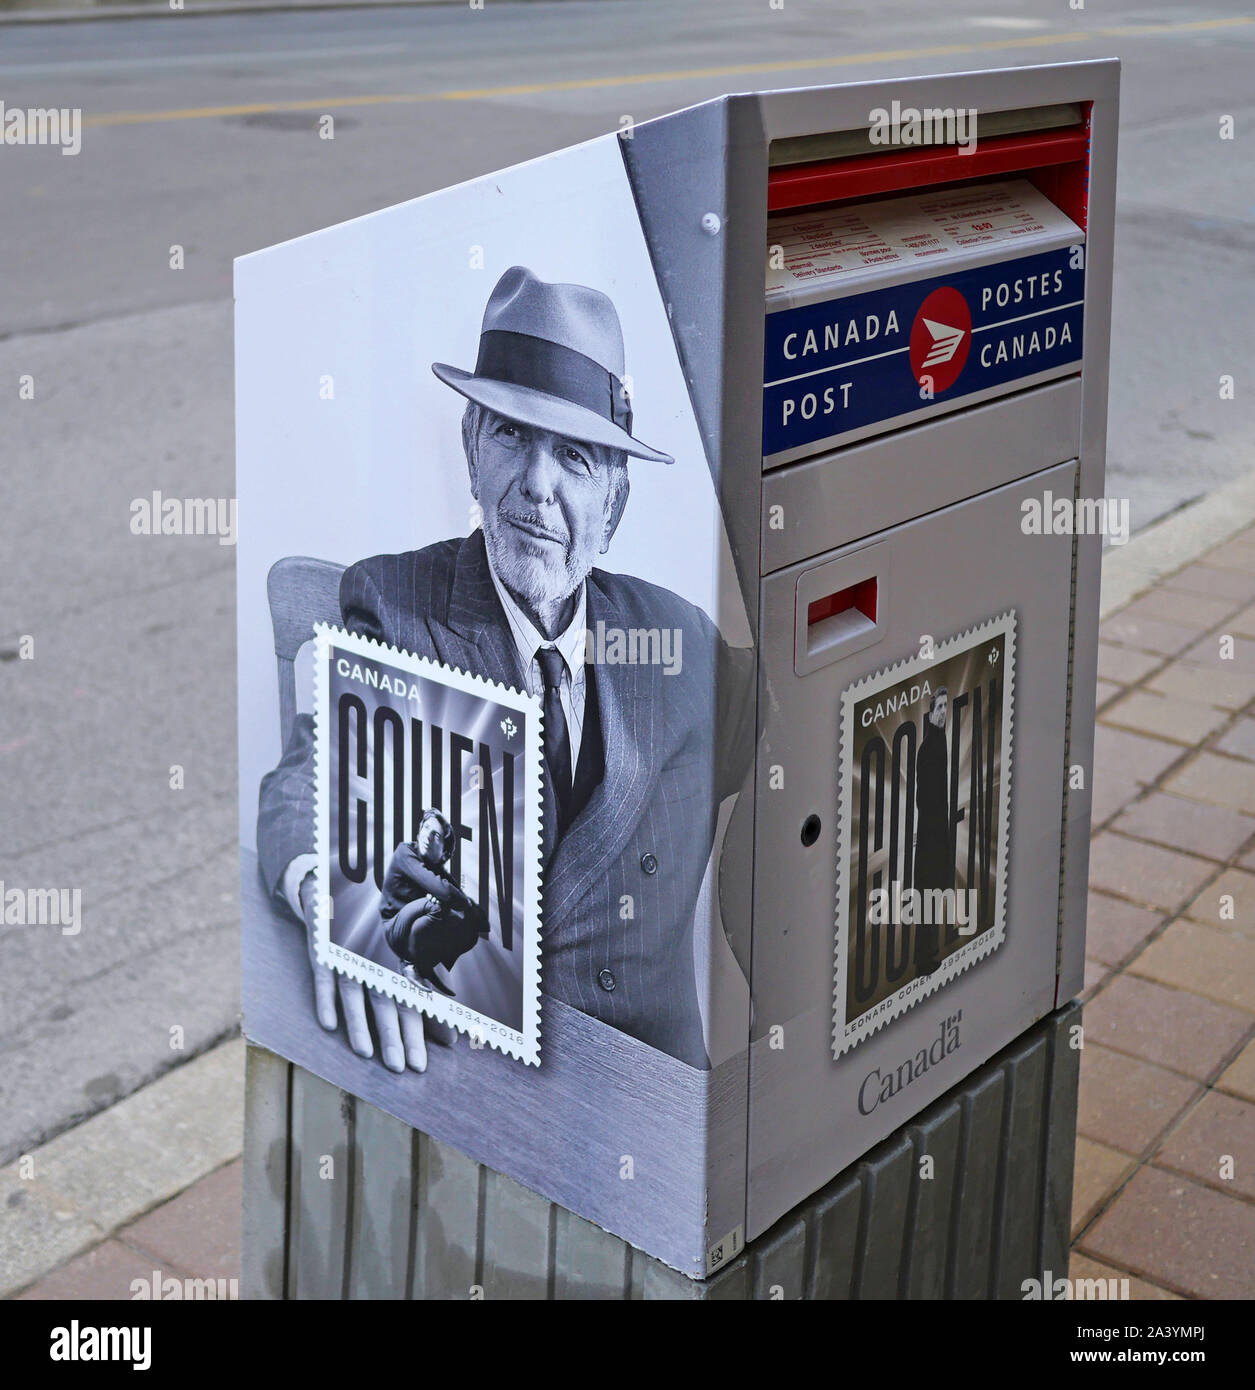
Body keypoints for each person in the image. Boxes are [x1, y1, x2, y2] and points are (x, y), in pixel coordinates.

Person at [258, 266, 754, 1071]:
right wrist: (329, 900)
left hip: (648, 1088)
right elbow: (309, 783)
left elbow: (796, 747)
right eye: (510, 435)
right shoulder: (394, 606)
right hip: (460, 1072)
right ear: (471, 452)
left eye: (576, 457)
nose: (536, 485)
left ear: (615, 504)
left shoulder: (683, 642)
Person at [379, 810, 490, 997]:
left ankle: (425, 964)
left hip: (414, 930)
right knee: (437, 906)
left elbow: (481, 921)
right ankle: (409, 964)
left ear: (444, 852)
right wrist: (451, 899)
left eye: (436, 835)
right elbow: (447, 892)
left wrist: (467, 912)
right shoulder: (405, 852)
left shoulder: (437, 870)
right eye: (426, 828)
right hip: (394, 927)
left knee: (469, 926)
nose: (427, 836)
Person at [913, 687, 951, 975]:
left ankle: (929, 953)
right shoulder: (929, 747)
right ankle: (924, 958)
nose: (943, 712)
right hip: (930, 835)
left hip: (937, 833)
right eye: (938, 707)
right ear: (929, 713)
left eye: (945, 707)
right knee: (928, 892)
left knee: (934, 892)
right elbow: (923, 796)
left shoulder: (940, 742)